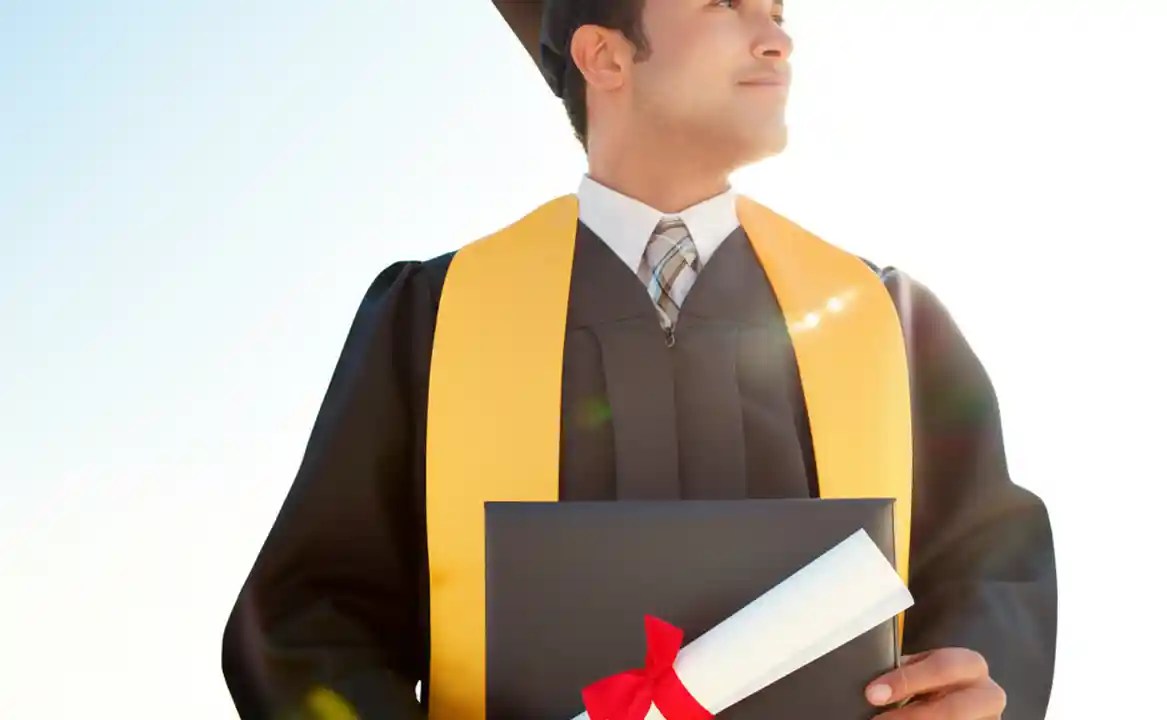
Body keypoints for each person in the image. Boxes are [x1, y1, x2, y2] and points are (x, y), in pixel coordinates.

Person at [221, 1, 1057, 718]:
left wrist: (981, 687)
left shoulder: (884, 317)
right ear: (605, 54)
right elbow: (310, 618)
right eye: (726, 4)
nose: (777, 39)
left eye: (777, 11)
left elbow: (987, 566)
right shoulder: (433, 318)